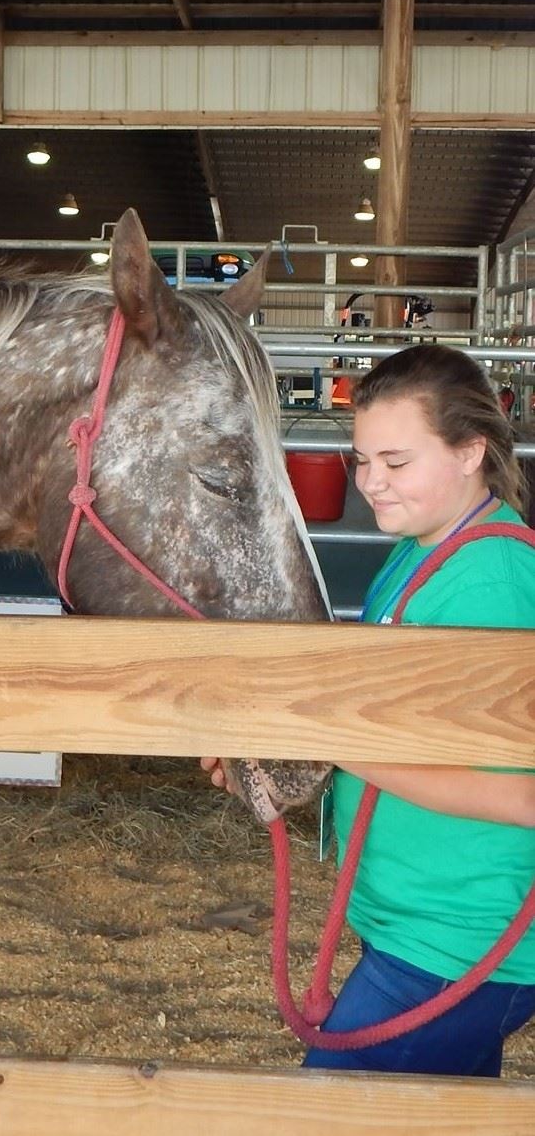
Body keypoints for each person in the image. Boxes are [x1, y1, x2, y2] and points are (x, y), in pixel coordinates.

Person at [204, 343, 535, 1076]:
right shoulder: (422, 552)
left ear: (470, 451)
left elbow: (523, 794)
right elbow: (379, 711)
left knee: (328, 1110)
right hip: (419, 924)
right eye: (361, 461)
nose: (371, 484)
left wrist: (324, 737)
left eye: (396, 462)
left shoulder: (494, 584)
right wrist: (276, 748)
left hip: (465, 940)